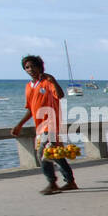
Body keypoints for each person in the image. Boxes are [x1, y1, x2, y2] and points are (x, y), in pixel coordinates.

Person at [11, 54, 77, 195]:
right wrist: (19, 125)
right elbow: (31, 109)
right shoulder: (29, 87)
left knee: (43, 152)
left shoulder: (47, 83)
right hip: (40, 126)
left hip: (51, 124)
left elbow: (60, 95)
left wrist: (53, 80)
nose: (30, 69)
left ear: (40, 67)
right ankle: (70, 181)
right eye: (27, 67)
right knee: (55, 154)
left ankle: (52, 182)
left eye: (33, 66)